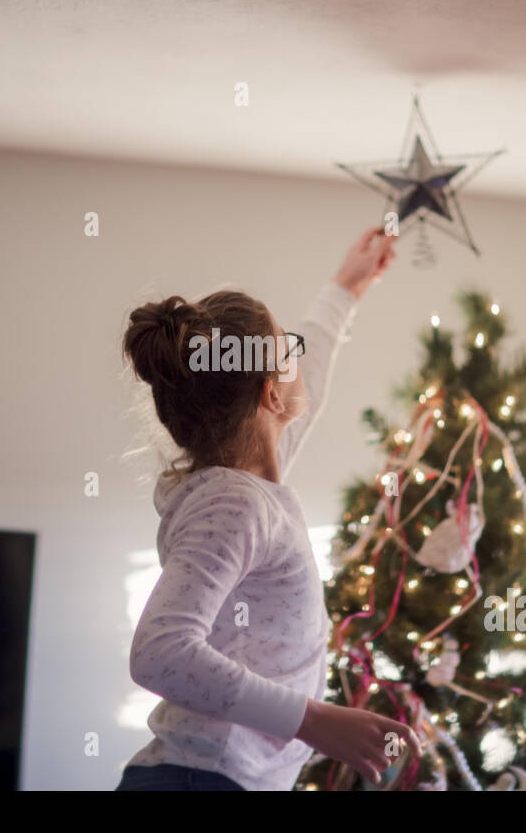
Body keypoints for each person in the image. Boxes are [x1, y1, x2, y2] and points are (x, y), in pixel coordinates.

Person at [116, 226, 421, 791]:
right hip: (202, 780)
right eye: (290, 349)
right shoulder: (235, 503)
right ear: (270, 393)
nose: (301, 355)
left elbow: (316, 376)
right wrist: (316, 721)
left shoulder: (246, 488)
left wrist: (346, 287)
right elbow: (159, 651)